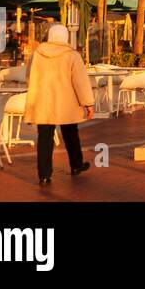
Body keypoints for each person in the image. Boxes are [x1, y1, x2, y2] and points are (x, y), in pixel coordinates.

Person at [25, 24, 94, 186]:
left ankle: (44, 175)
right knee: (71, 133)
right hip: (66, 102)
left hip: (43, 101)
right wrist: (88, 103)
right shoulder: (72, 55)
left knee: (44, 137)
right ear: (65, 37)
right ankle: (76, 165)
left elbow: (29, 77)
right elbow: (80, 82)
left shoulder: (37, 54)